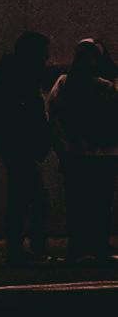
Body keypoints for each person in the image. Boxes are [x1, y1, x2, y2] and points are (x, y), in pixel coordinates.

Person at [0, 30, 61, 265]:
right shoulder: (25, 82)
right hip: (24, 146)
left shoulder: (11, 78)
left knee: (20, 197)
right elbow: (31, 117)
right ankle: (33, 246)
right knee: (35, 197)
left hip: (14, 146)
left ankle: (18, 246)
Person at [54, 40, 118, 267]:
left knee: (76, 201)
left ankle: (77, 246)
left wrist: (64, 146)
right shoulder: (106, 86)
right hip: (105, 154)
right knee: (101, 202)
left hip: (75, 153)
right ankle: (99, 246)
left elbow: (54, 115)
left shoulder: (64, 83)